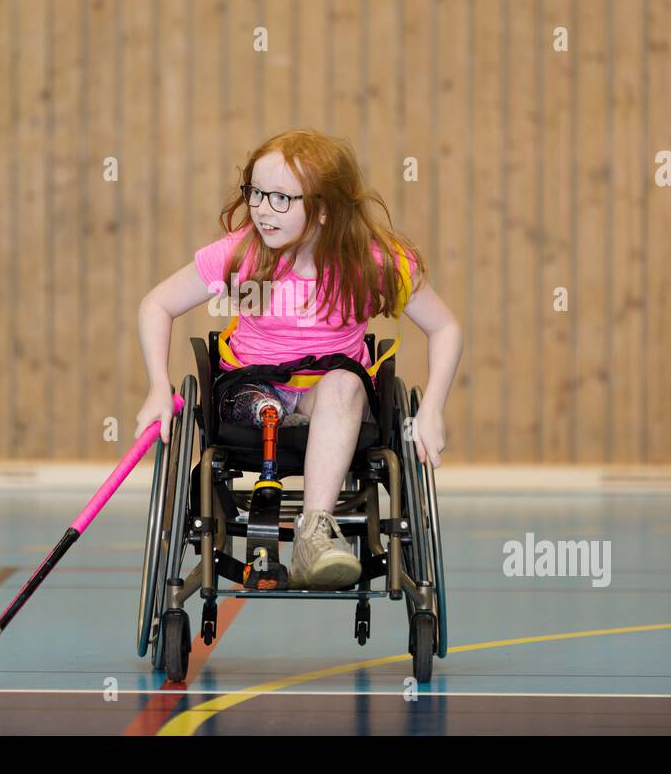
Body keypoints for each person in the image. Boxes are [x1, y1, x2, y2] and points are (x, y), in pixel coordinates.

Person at [135, 128, 462, 588]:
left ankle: (315, 534)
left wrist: (431, 411)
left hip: (327, 397)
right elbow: (157, 304)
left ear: (325, 209)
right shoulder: (241, 256)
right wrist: (156, 385)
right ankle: (277, 419)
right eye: (256, 193)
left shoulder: (374, 264)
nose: (263, 209)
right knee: (265, 405)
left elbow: (445, 326)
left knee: (345, 384)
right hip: (251, 390)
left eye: (282, 198)